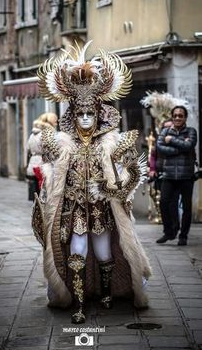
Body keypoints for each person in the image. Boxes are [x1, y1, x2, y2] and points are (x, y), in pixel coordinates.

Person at [32, 41, 152, 324]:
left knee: (104, 253)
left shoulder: (111, 143)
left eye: (90, 114)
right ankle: (79, 303)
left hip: (101, 209)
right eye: (81, 114)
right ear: (73, 116)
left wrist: (118, 185)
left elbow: (127, 176)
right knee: (76, 252)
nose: (86, 119)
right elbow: (44, 160)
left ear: (99, 115)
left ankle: (108, 293)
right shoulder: (63, 143)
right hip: (73, 210)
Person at [156, 105, 197, 246]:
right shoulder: (165, 131)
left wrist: (171, 140)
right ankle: (169, 232)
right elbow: (160, 147)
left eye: (181, 115)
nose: (178, 118)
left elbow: (189, 146)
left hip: (186, 176)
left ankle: (183, 236)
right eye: (175, 115)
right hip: (169, 175)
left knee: (186, 207)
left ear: (185, 117)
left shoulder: (191, 131)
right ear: (172, 117)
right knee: (164, 203)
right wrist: (180, 148)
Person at [26, 115, 57, 200]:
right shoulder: (47, 133)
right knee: (44, 190)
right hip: (43, 164)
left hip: (33, 163)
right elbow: (51, 150)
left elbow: (28, 149)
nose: (56, 123)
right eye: (55, 121)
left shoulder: (32, 135)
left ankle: (37, 207)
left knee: (36, 189)